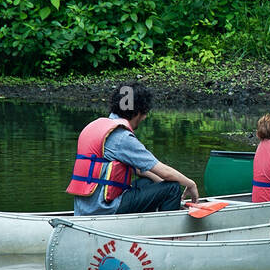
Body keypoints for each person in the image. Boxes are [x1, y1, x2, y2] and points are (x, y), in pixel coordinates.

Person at [66, 84, 199, 215]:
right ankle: (167, 229)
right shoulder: (121, 137)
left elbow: (141, 171)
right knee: (172, 188)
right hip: (104, 208)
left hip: (84, 208)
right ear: (137, 112)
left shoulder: (96, 126)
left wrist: (163, 188)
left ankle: (155, 216)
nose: (145, 117)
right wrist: (191, 184)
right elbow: (165, 172)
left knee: (150, 181)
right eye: (144, 113)